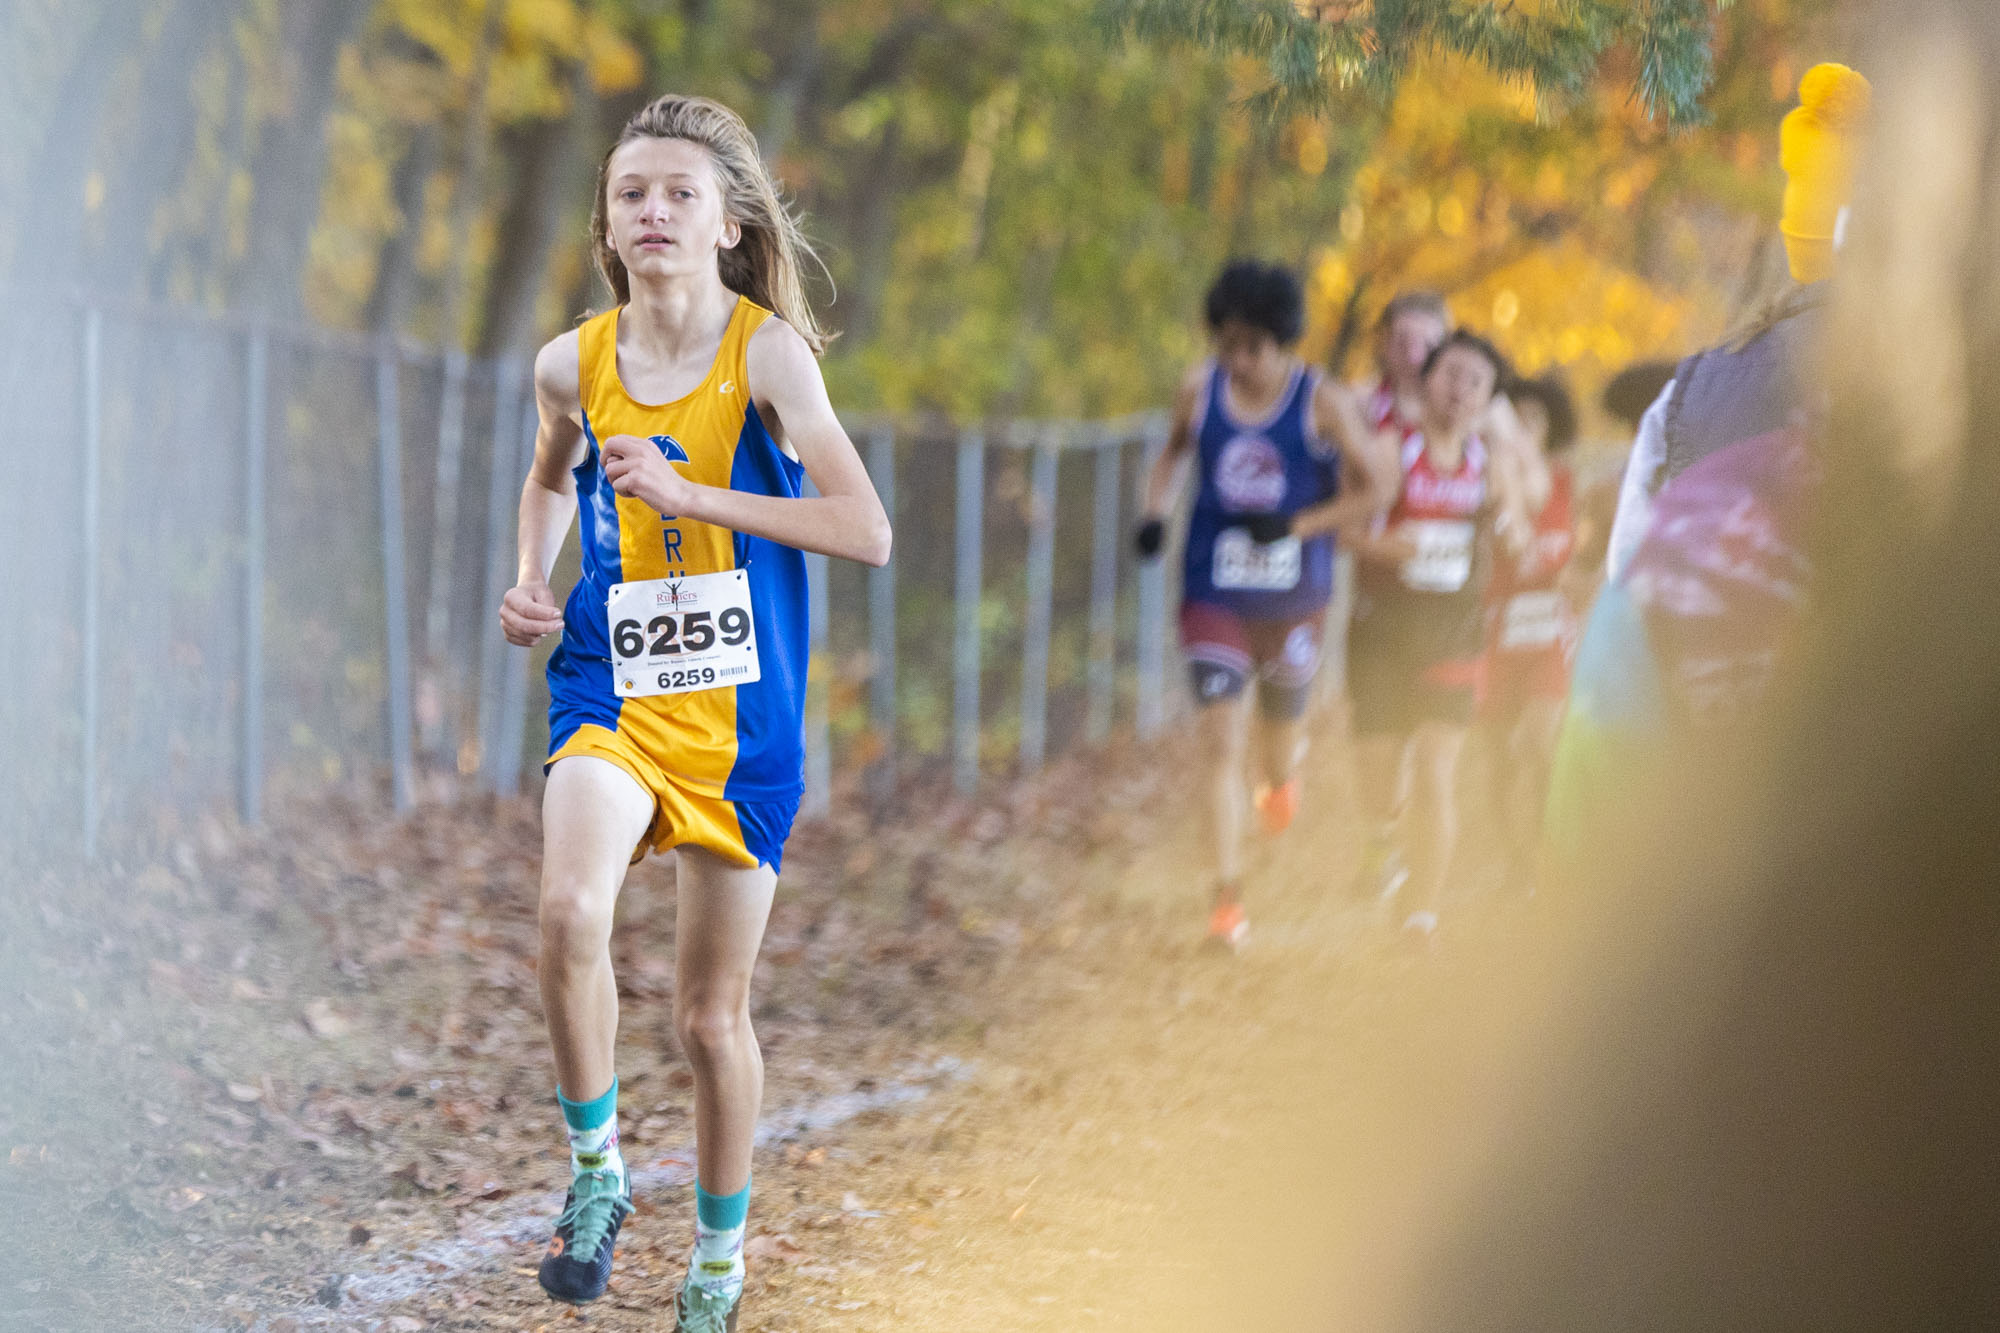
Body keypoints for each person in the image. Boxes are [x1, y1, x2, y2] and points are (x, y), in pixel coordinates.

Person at [496, 93, 890, 1331]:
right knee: (567, 909)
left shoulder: (767, 354)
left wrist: (698, 497)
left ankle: (717, 1263)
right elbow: (550, 467)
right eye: (630, 194)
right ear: (608, 230)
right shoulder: (574, 359)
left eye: (679, 193)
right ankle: (598, 1175)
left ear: (727, 225)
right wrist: (529, 573)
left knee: (707, 1017)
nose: (652, 210)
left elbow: (866, 533)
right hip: (611, 679)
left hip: (742, 717)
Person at [1135, 260, 1398, 948]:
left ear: (1282, 341)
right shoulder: (1199, 389)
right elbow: (1169, 458)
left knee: (1273, 749)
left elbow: (1374, 488)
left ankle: (1283, 778)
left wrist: (1300, 526)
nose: (1239, 361)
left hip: (1294, 596)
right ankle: (1226, 899)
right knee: (1221, 739)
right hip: (1213, 588)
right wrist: (1153, 514)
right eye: (1228, 345)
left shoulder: (1322, 401)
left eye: (1253, 347)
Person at [1346, 330, 1513, 938]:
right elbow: (1347, 533)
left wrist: (1512, 529)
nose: (1461, 390)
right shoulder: (1393, 450)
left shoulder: (1491, 461)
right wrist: (1395, 547)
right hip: (1385, 629)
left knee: (1436, 769)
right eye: (1452, 375)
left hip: (1456, 632)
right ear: (1427, 380)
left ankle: (1422, 913)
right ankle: (1379, 841)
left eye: (1477, 381)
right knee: (1379, 766)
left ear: (1489, 397)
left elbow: (1516, 515)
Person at [1476, 374, 1582, 887]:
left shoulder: (1565, 481)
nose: (1524, 429)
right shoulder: (1488, 481)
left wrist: (1573, 573)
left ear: (1550, 429)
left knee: (1539, 744)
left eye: (1535, 420)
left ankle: (1545, 852)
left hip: (1548, 635)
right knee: (1497, 757)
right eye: (1515, 418)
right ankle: (1513, 861)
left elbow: (1580, 552)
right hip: (1497, 632)